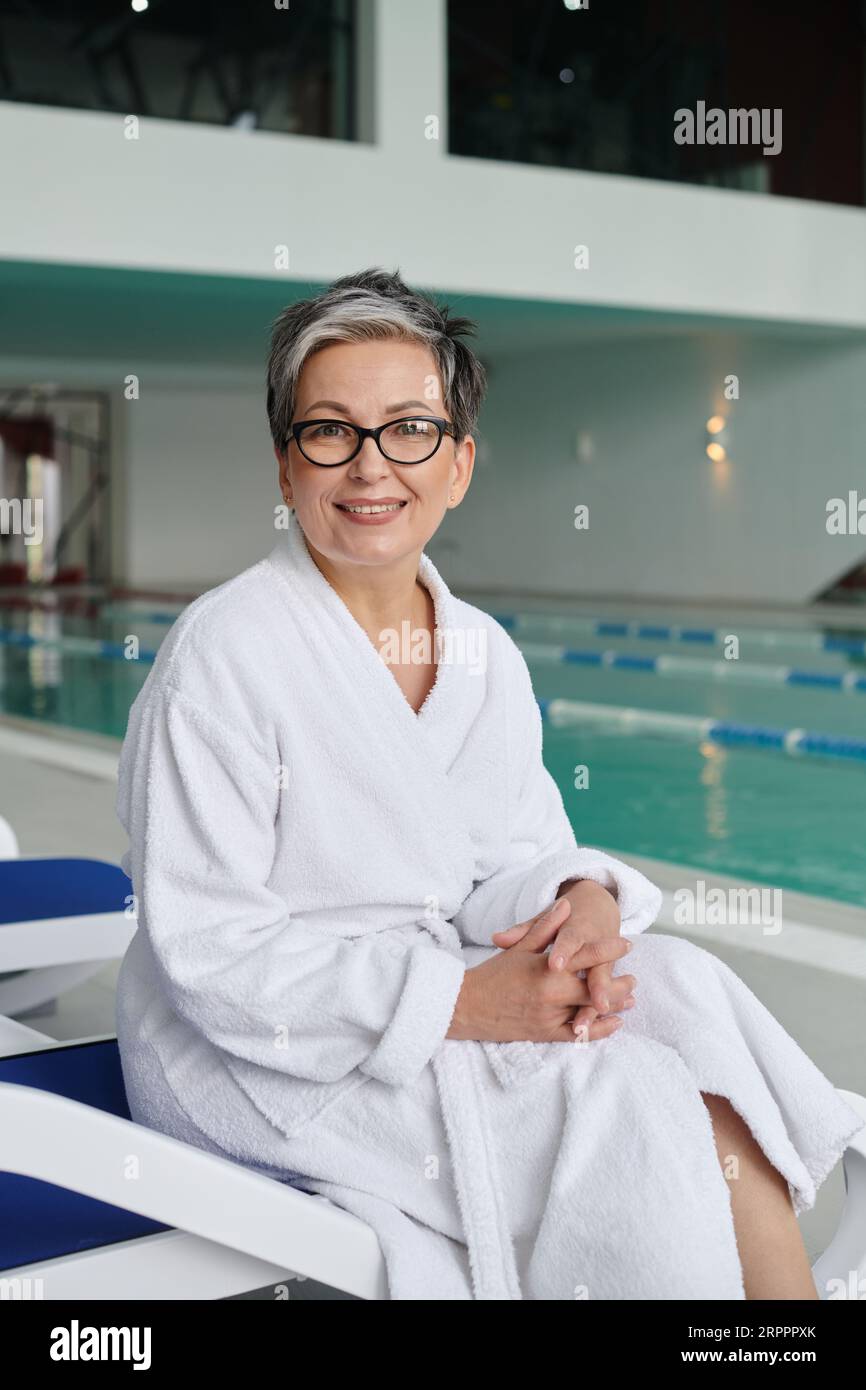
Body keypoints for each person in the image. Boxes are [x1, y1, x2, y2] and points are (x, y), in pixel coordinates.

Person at [115, 267, 863, 1300]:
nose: (371, 465)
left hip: (429, 985)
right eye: (330, 431)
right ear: (286, 467)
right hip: (251, 1057)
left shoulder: (480, 652)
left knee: (677, 991)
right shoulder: (224, 653)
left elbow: (510, 851)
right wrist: (461, 1003)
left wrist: (577, 900)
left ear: (458, 463)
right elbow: (209, 954)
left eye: (409, 429)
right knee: (621, 1097)